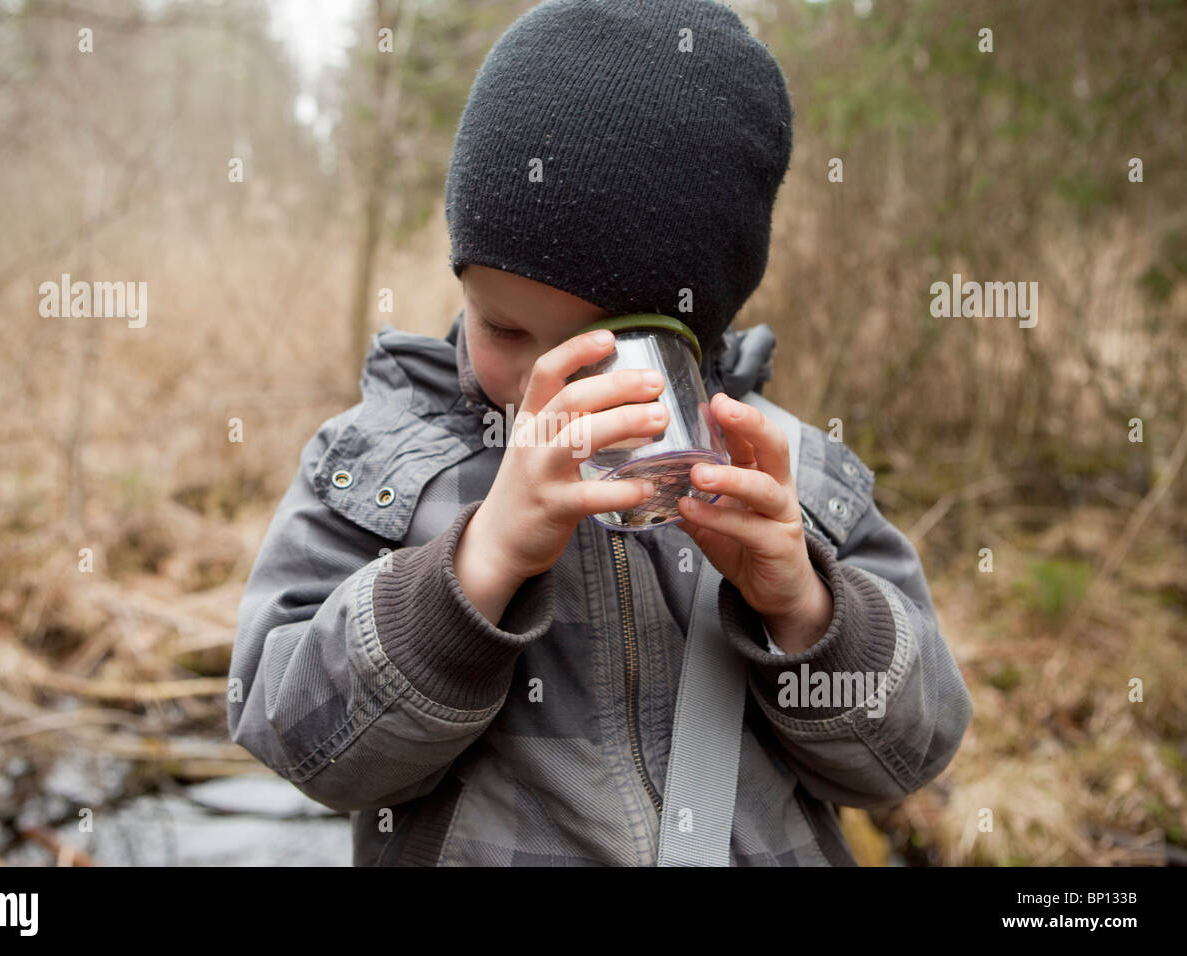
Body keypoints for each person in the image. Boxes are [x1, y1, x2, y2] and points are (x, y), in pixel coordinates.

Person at [228, 0, 972, 866]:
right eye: (503, 329)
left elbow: (911, 754)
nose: (546, 382)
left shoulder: (792, 475)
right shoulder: (378, 462)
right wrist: (475, 571)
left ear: (697, 330)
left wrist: (803, 609)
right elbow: (293, 737)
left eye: (608, 352)